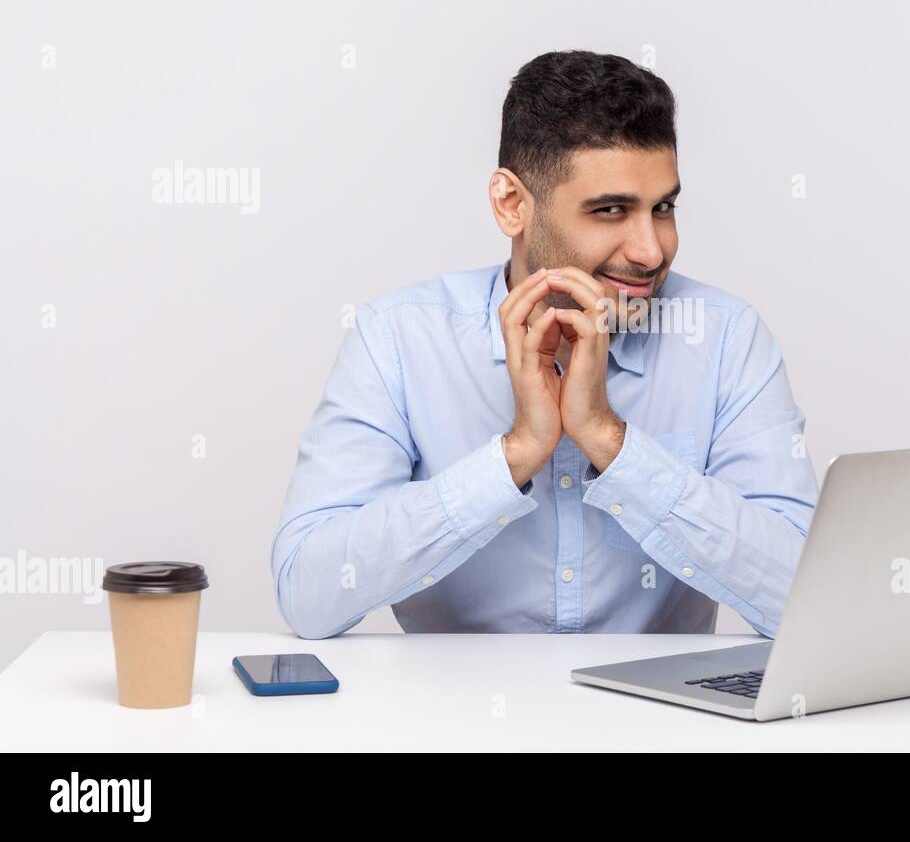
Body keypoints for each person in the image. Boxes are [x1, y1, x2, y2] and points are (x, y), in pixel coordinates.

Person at [272, 50, 819, 639]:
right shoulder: (399, 338)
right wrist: (516, 454)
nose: (651, 250)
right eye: (610, 210)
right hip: (456, 723)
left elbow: (807, 602)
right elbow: (310, 594)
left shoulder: (726, 338)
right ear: (512, 204)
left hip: (661, 727)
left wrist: (612, 442)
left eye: (662, 208)